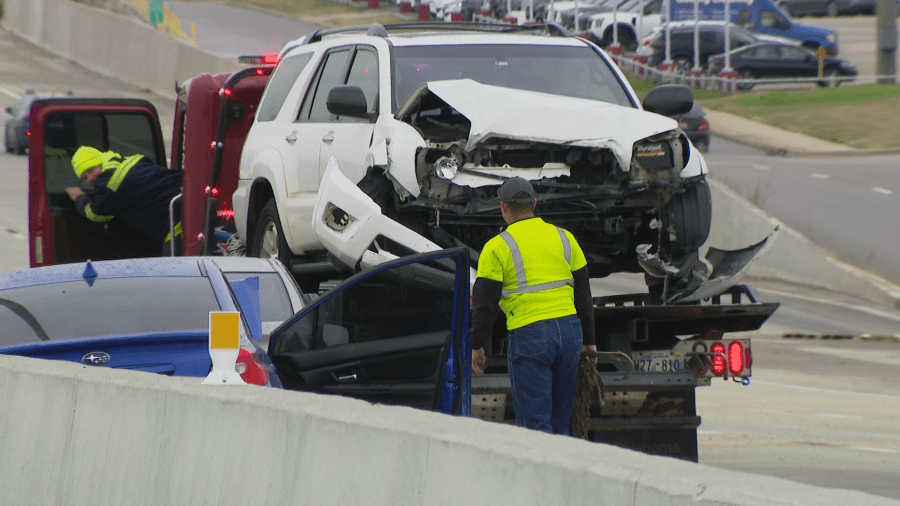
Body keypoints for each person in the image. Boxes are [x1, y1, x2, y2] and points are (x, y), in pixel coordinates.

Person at [470, 177, 596, 435]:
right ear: (535, 203)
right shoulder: (564, 238)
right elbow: (583, 294)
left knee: (535, 427)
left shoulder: (497, 247)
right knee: (562, 423)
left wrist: (475, 345)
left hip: (531, 335)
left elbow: (485, 305)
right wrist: (590, 340)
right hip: (570, 331)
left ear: (503, 207)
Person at [65, 145, 183, 253]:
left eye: (91, 170)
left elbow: (93, 214)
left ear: (100, 162)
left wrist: (79, 197)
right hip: (186, 205)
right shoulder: (129, 161)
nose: (90, 178)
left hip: (177, 229)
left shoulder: (109, 182)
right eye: (85, 178)